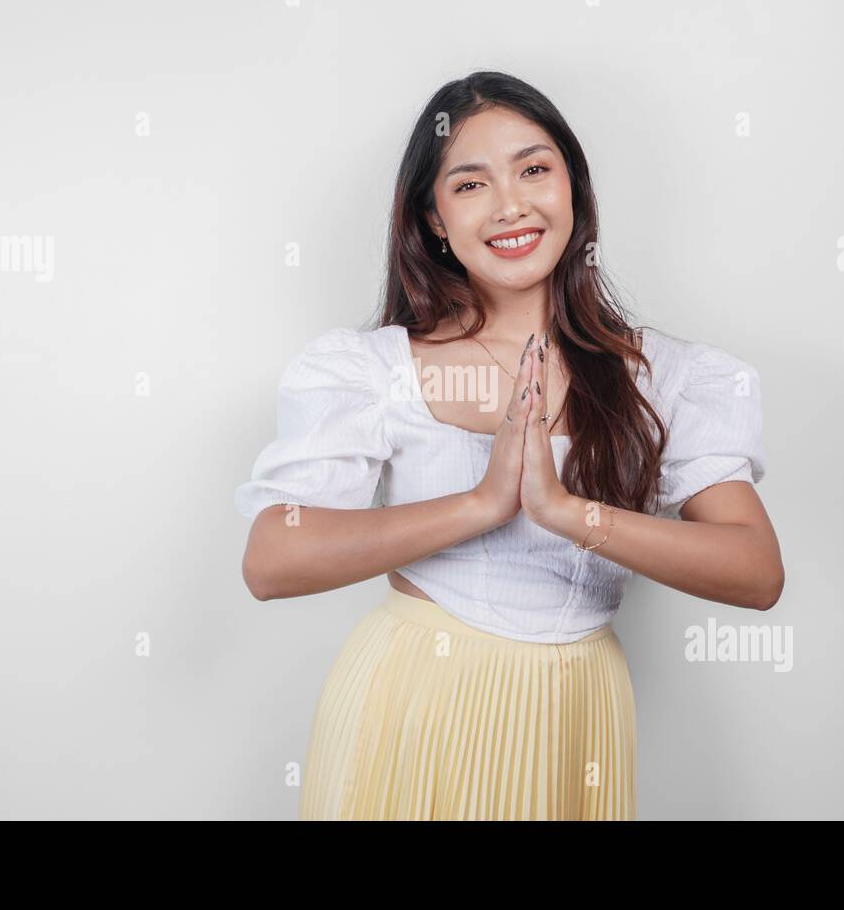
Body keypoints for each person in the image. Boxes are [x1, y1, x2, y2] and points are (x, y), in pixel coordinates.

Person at [235, 71, 784, 820]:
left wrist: (566, 512)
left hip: (579, 721)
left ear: (573, 190)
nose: (511, 205)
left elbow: (755, 573)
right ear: (433, 219)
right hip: (416, 706)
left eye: (534, 169)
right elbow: (272, 561)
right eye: (469, 185)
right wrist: (482, 503)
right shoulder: (372, 370)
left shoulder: (667, 377)